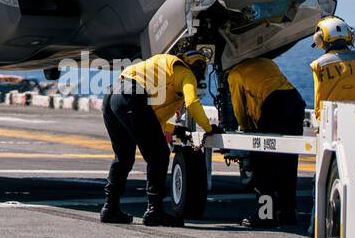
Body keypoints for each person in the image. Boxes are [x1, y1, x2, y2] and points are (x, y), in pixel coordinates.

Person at [101, 46, 214, 227]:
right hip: (132, 96)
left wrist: (174, 130)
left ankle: (110, 208)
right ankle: (155, 211)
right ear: (199, 67)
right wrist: (209, 129)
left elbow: (151, 119)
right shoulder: (186, 74)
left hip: (112, 95)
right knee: (159, 156)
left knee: (123, 158)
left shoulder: (166, 69)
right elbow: (193, 103)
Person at [305, 16, 355, 238]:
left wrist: (318, 126)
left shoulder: (319, 65)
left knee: (321, 181)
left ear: (323, 37)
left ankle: (317, 232)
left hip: (333, 127)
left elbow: (319, 99)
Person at [224, 57, 306, 228]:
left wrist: (246, 130)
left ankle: (266, 215)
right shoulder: (265, 62)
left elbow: (238, 107)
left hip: (273, 105)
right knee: (288, 163)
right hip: (295, 101)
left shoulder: (234, 74)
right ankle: (288, 214)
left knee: (262, 166)